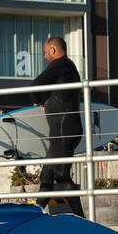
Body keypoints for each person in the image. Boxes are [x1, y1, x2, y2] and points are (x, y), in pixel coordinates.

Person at [31, 36, 83, 216]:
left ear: (53, 50)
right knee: (47, 175)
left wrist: (39, 101)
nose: (45, 57)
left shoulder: (60, 65)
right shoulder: (70, 67)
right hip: (67, 128)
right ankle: (35, 214)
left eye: (45, 52)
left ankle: (83, 219)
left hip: (63, 128)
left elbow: (36, 84)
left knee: (61, 176)